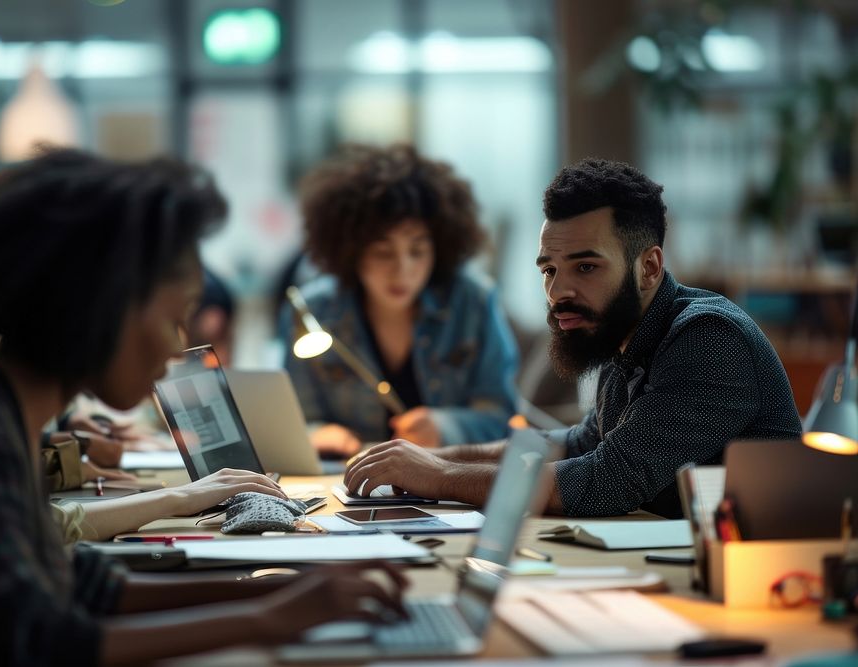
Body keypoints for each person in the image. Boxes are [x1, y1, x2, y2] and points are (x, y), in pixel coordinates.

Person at [0, 149, 407, 664]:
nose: (176, 345)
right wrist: (266, 617)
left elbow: (87, 585)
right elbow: (41, 641)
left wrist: (293, 587)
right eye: (172, 315)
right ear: (95, 307)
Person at [344, 158, 802, 518]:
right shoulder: (624, 338)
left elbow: (608, 479)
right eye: (549, 270)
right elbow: (572, 444)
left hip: (756, 584)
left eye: (585, 267)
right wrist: (424, 458)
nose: (559, 291)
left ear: (649, 267)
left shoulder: (707, 338)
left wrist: (442, 476)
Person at [279, 143, 519, 457]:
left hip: (450, 483)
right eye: (382, 252)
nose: (402, 270)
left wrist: (445, 426)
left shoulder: (473, 301)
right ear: (351, 252)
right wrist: (317, 434)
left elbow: (502, 413)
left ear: (439, 247)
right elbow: (295, 420)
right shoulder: (314, 310)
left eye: (417, 251)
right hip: (351, 484)